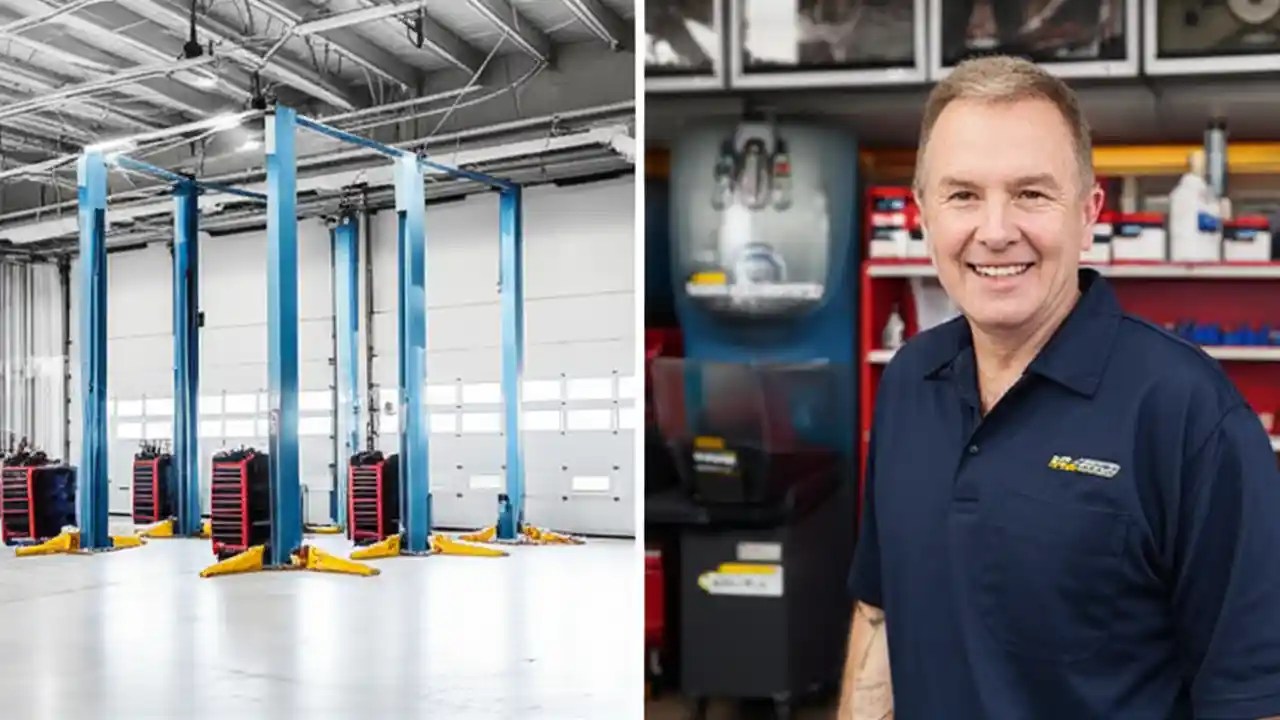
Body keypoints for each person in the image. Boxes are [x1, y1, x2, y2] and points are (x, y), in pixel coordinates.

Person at [839, 54, 1280, 719]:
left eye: (1031, 194)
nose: (994, 231)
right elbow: (878, 614)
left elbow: (1250, 698)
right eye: (963, 195)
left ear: (1088, 212)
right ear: (923, 215)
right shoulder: (907, 382)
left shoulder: (1186, 413)